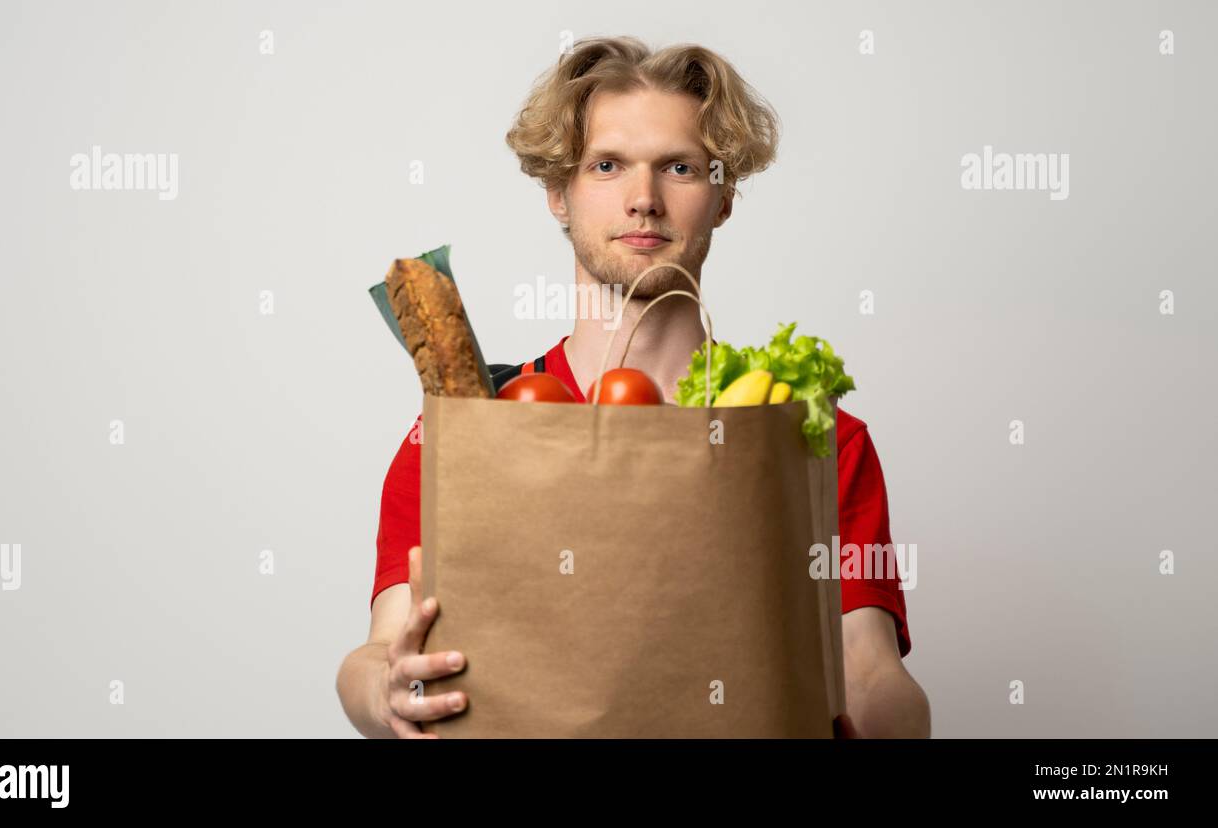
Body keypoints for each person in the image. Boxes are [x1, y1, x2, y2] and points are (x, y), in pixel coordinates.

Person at [336, 36, 931, 738]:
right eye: (608, 166)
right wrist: (385, 691)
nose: (643, 200)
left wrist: (873, 723)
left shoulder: (811, 437)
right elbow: (381, 647)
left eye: (679, 167)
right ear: (559, 193)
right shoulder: (464, 432)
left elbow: (867, 666)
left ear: (724, 196)